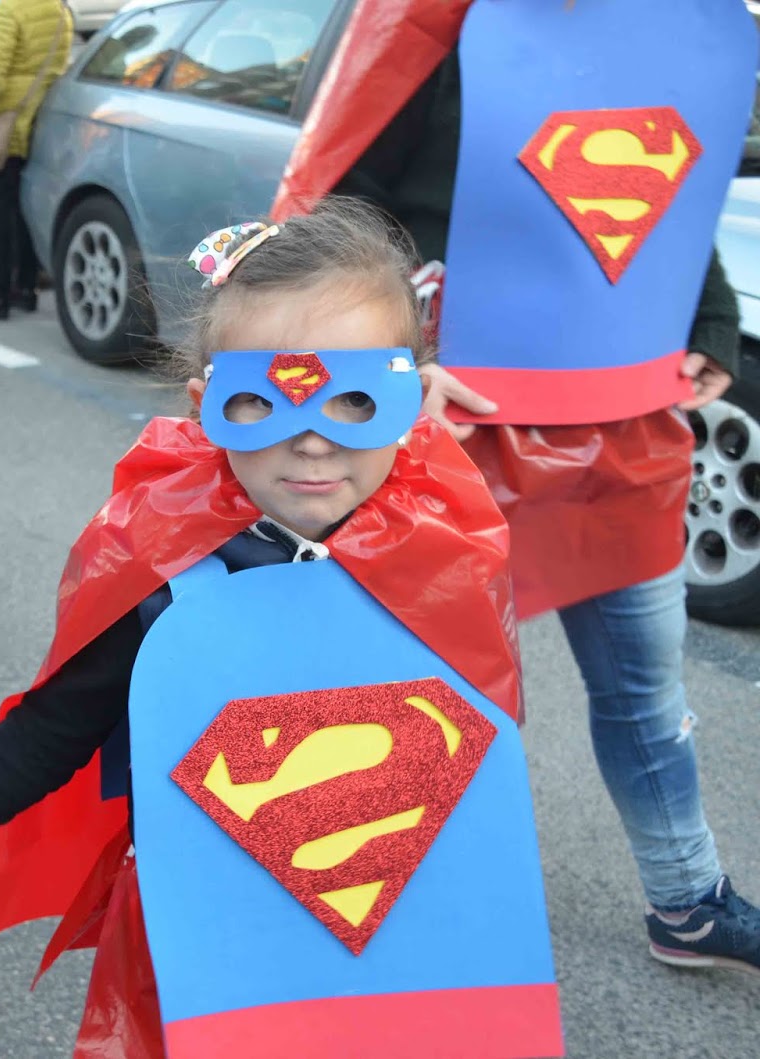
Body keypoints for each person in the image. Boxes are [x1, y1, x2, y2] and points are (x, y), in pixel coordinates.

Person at [0, 202, 562, 1056]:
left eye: (356, 396)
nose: (314, 441)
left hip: (388, 944)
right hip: (206, 941)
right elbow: (53, 730)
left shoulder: (439, 548)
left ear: (407, 396)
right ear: (208, 404)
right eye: (266, 399)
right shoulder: (170, 577)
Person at [288, 0, 760, 975]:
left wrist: (708, 321)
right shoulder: (425, 24)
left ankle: (686, 901)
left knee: (643, 689)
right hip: (447, 421)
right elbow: (335, 204)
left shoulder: (656, 26)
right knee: (414, 695)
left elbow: (662, 181)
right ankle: (363, 920)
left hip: (619, 431)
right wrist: (390, 355)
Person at [0, 0, 71, 320]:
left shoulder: (10, 9)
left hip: (6, 129)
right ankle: (24, 287)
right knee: (24, 211)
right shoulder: (60, 9)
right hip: (39, 124)